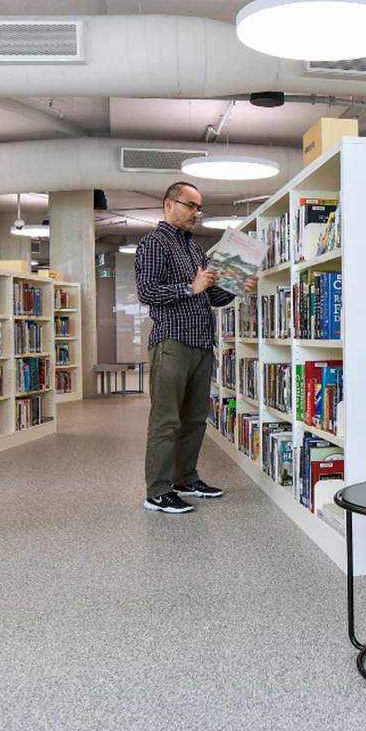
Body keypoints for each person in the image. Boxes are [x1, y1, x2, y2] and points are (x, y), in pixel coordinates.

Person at [135, 181, 254, 514]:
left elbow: (211, 297)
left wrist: (235, 287)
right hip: (172, 343)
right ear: (169, 203)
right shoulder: (153, 243)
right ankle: (157, 491)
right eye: (190, 206)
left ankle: (185, 478)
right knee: (166, 420)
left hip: (202, 344)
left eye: (199, 208)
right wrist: (191, 287)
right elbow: (147, 292)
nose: (196, 214)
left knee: (195, 419)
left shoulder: (194, 249)